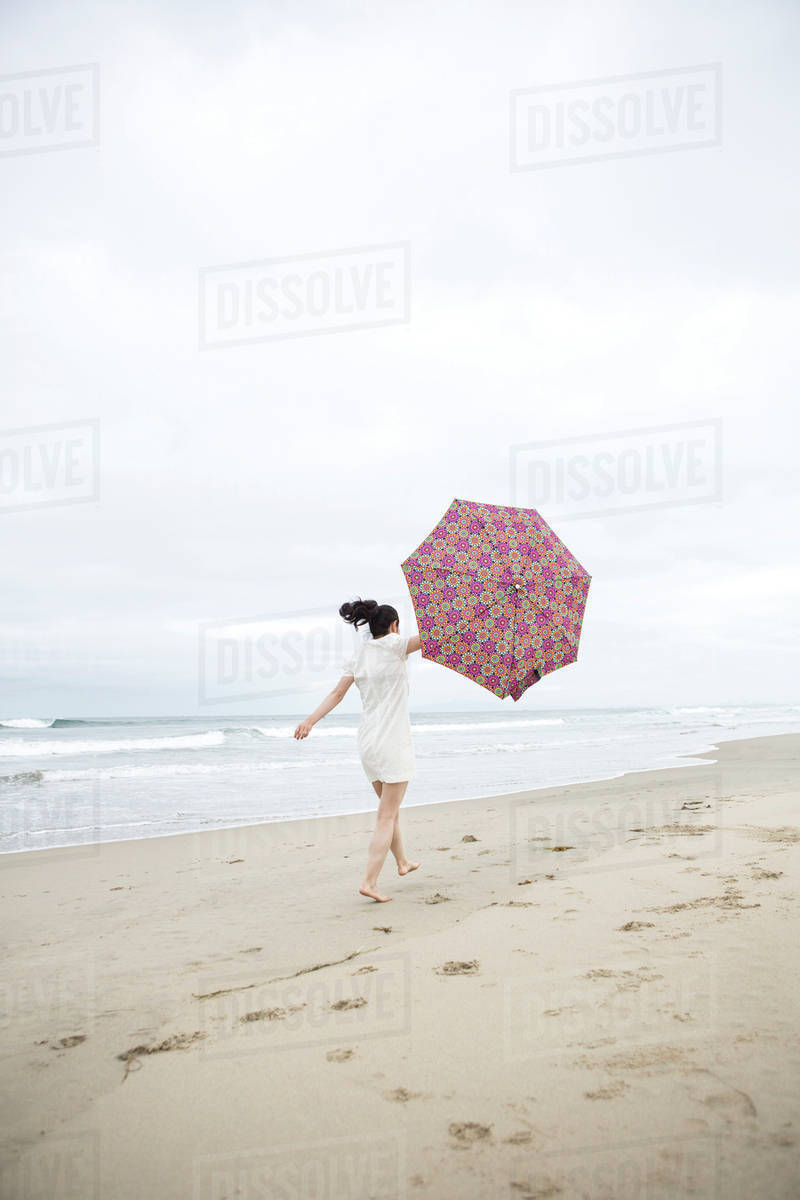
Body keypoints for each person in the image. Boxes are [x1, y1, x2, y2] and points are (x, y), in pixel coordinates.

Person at [293, 597, 421, 902]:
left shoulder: (360, 654)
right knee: (386, 817)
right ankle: (370, 882)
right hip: (392, 742)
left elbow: (338, 692)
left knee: (388, 812)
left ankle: (402, 862)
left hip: (368, 743)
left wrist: (311, 720)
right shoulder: (396, 645)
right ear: (393, 626)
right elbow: (439, 635)